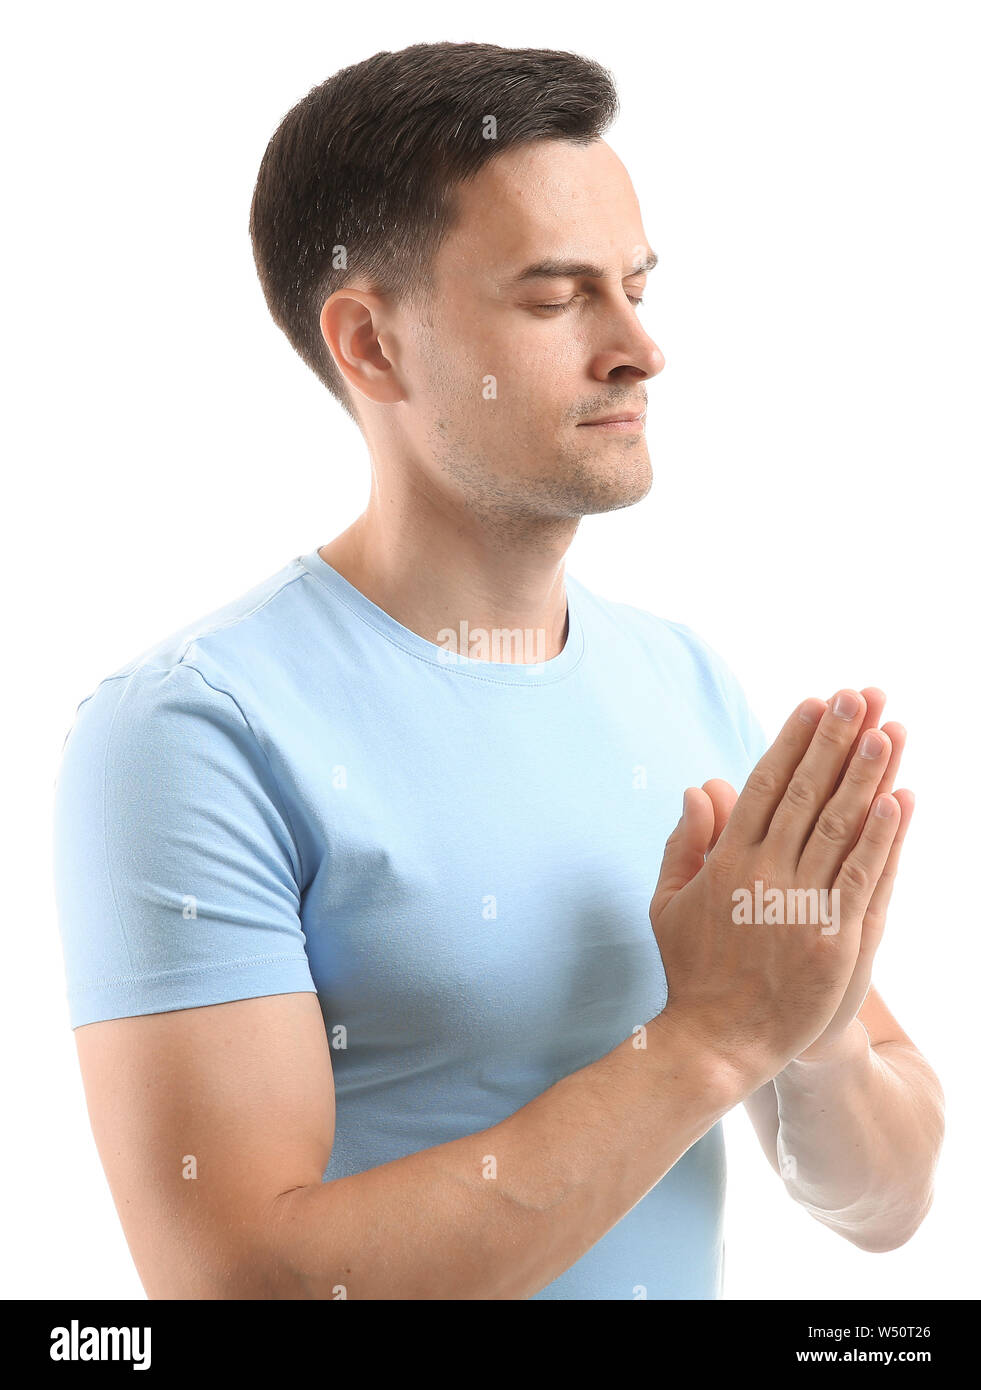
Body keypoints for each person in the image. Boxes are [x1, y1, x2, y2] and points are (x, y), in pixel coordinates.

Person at [53, 41, 943, 1300]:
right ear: (372, 346)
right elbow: (240, 1283)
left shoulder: (684, 678)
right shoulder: (192, 732)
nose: (640, 348)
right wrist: (708, 1037)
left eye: (637, 286)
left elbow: (888, 1205)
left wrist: (815, 1030)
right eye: (557, 297)